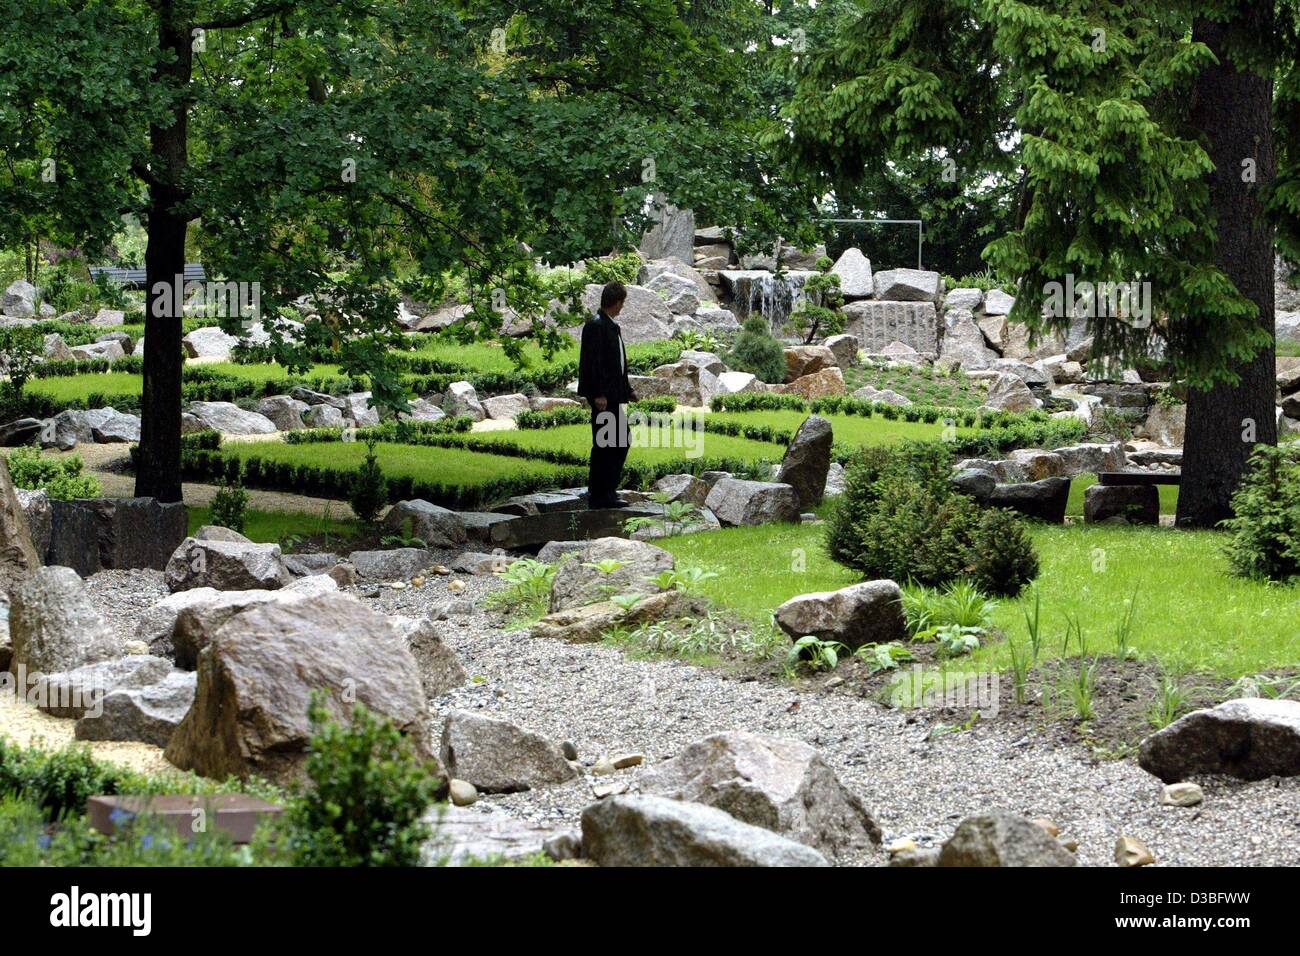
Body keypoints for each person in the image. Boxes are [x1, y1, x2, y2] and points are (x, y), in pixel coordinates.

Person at [578, 281, 636, 508]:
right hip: (603, 398)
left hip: (612, 395)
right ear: (617, 302)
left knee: (618, 441)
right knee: (606, 443)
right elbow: (593, 363)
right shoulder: (596, 326)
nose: (623, 306)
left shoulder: (608, 325)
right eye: (622, 302)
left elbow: (616, 363)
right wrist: (598, 394)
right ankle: (601, 494)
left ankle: (606, 491)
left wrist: (627, 389)